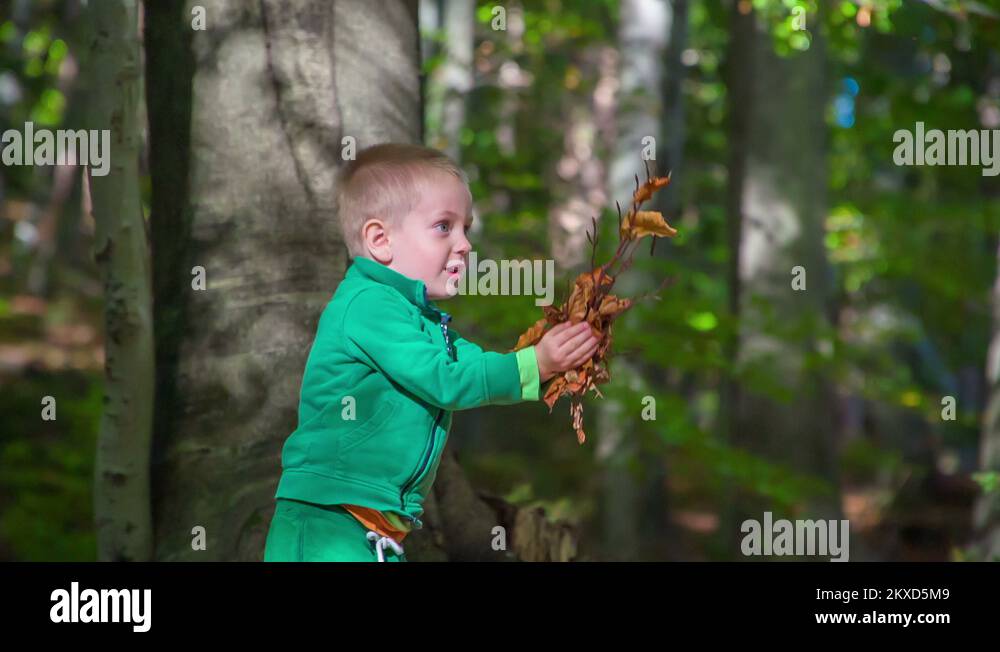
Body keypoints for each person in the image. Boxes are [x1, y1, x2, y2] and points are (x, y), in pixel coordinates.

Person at [263, 143, 600, 561]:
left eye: (467, 229)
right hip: (326, 525)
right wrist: (536, 362)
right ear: (380, 240)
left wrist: (546, 364)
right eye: (444, 227)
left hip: (371, 533)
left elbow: (470, 364)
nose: (464, 245)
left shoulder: (418, 320)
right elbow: (445, 380)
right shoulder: (369, 305)